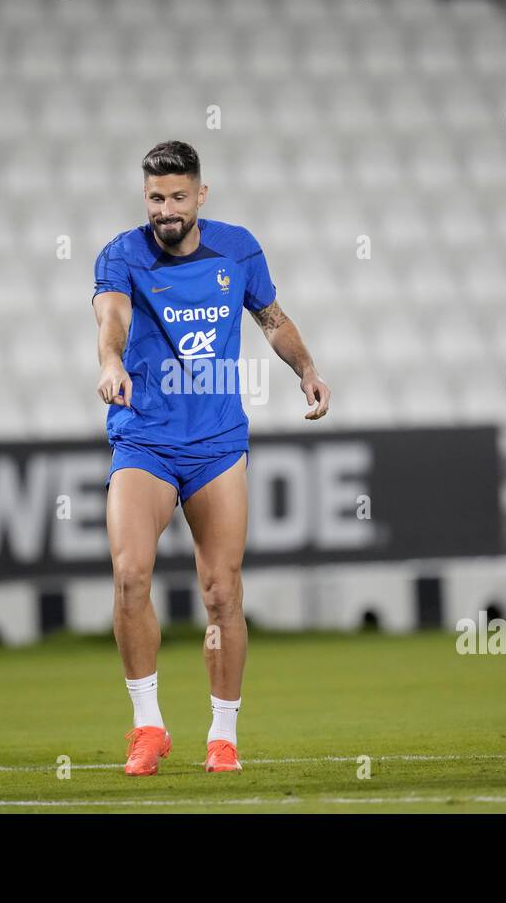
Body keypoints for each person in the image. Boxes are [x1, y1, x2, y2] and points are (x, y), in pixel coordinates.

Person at [92, 141, 331, 774]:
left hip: (217, 444)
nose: (164, 210)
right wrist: (111, 360)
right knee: (129, 575)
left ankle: (223, 736)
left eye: (175, 197)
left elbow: (272, 319)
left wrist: (305, 368)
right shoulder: (122, 253)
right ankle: (148, 727)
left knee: (223, 592)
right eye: (153, 199)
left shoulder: (237, 247)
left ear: (201, 194)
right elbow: (110, 317)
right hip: (144, 437)